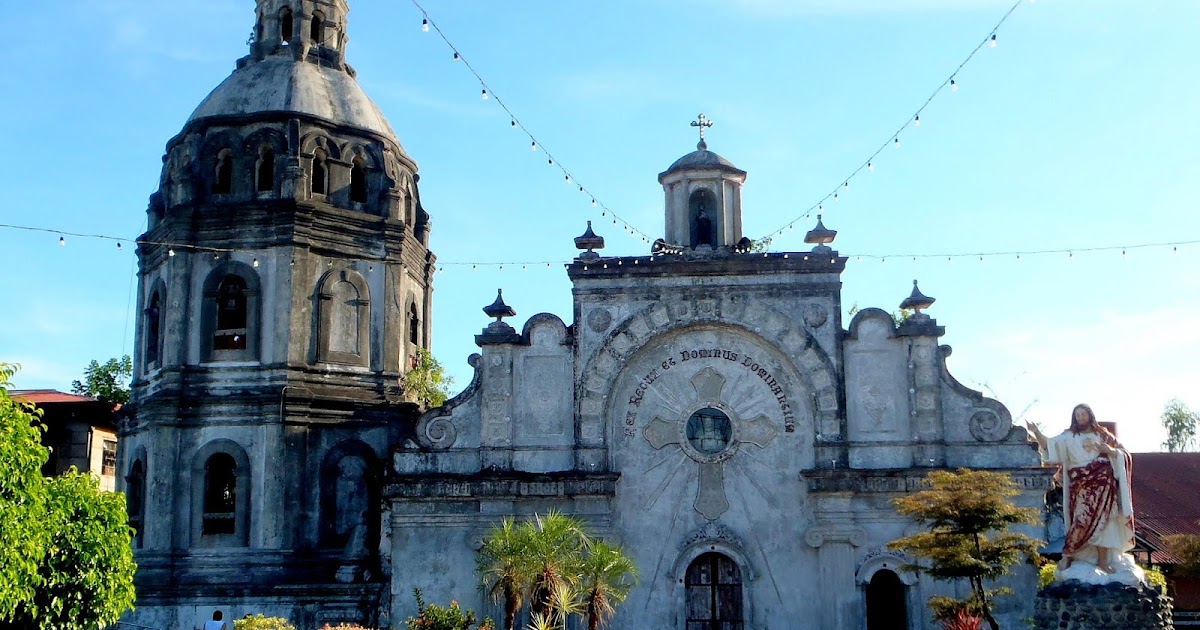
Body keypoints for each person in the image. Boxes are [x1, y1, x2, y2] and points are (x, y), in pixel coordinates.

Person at [1025, 404, 1134, 574]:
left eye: (1083, 414)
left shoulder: (1103, 435)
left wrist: (1110, 451)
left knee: (1105, 522)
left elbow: (1124, 454)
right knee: (1081, 520)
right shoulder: (1068, 437)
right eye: (1077, 415)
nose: (1080, 418)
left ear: (1090, 415)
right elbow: (1049, 445)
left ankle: (1103, 561)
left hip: (1104, 485)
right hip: (1081, 485)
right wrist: (1036, 432)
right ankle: (1068, 555)